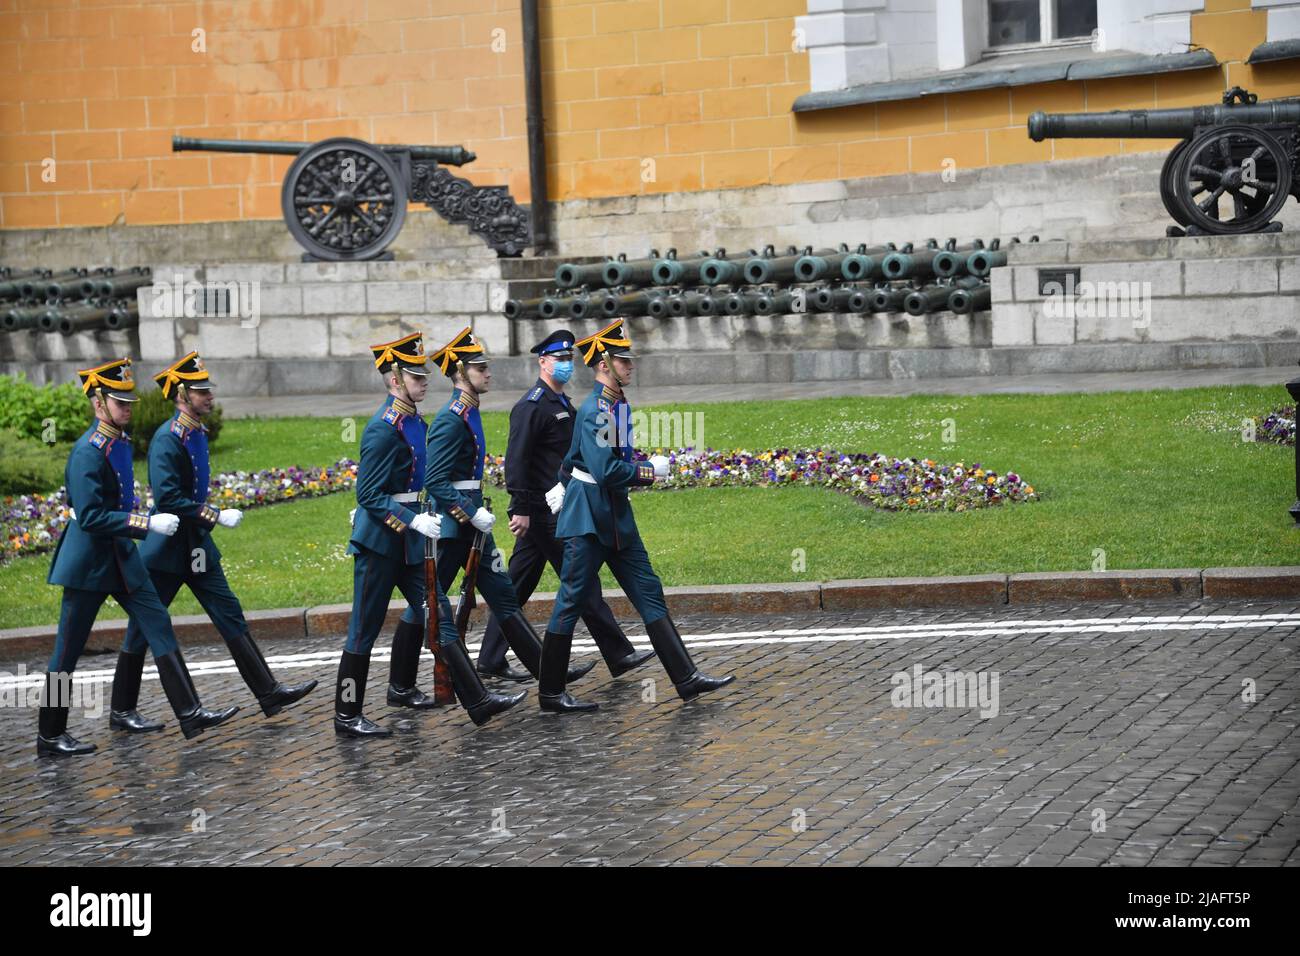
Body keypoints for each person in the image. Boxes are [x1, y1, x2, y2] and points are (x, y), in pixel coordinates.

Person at [109, 351, 317, 732]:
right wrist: (216, 515)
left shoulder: (195, 433)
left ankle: (268, 692)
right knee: (143, 629)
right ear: (181, 396)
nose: (209, 397)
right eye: (200, 392)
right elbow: (169, 498)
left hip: (198, 549)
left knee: (229, 613)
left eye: (208, 390)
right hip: (168, 552)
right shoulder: (167, 440)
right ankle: (121, 710)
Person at [40, 357, 238, 756]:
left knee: (158, 623)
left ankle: (190, 711)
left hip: (122, 557)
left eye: (130, 403)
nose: (128, 409)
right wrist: (145, 524)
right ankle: (49, 734)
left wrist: (140, 524)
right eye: (120, 403)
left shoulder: (117, 442)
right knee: (68, 649)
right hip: (89, 563)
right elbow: (92, 516)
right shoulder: (88, 452)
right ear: (99, 403)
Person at [537, 320, 735, 713]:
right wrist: (651, 471)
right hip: (590, 518)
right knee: (571, 599)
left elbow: (604, 460)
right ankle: (550, 693)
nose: (631, 366)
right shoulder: (597, 409)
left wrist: (641, 464)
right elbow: (607, 470)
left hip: (614, 517)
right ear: (604, 365)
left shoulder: (616, 404)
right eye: (623, 360)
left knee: (648, 590)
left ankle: (686, 678)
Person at [335, 332, 524, 738]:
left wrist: (417, 521)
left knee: (439, 617)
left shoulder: (413, 422)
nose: (424, 383)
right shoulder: (382, 429)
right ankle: (347, 713)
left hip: (409, 544)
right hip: (379, 545)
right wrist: (411, 518)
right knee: (363, 631)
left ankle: (477, 700)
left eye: (423, 377)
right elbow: (367, 493)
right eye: (415, 378)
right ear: (394, 381)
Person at [396, 326, 593, 685]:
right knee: (423, 605)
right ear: (459, 373)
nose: (488, 374)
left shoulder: (469, 413)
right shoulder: (451, 419)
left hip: (474, 531)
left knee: (505, 598)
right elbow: (435, 481)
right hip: (455, 529)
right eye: (480, 369)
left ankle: (550, 676)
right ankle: (401, 684)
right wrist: (471, 513)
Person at [477, 328, 653, 682]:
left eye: (569, 360)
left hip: (558, 505)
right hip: (544, 513)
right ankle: (616, 654)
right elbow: (517, 462)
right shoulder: (531, 406)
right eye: (559, 360)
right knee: (582, 583)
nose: (566, 365)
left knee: (517, 585)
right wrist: (520, 508)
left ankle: (491, 657)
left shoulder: (561, 403)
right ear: (542, 363)